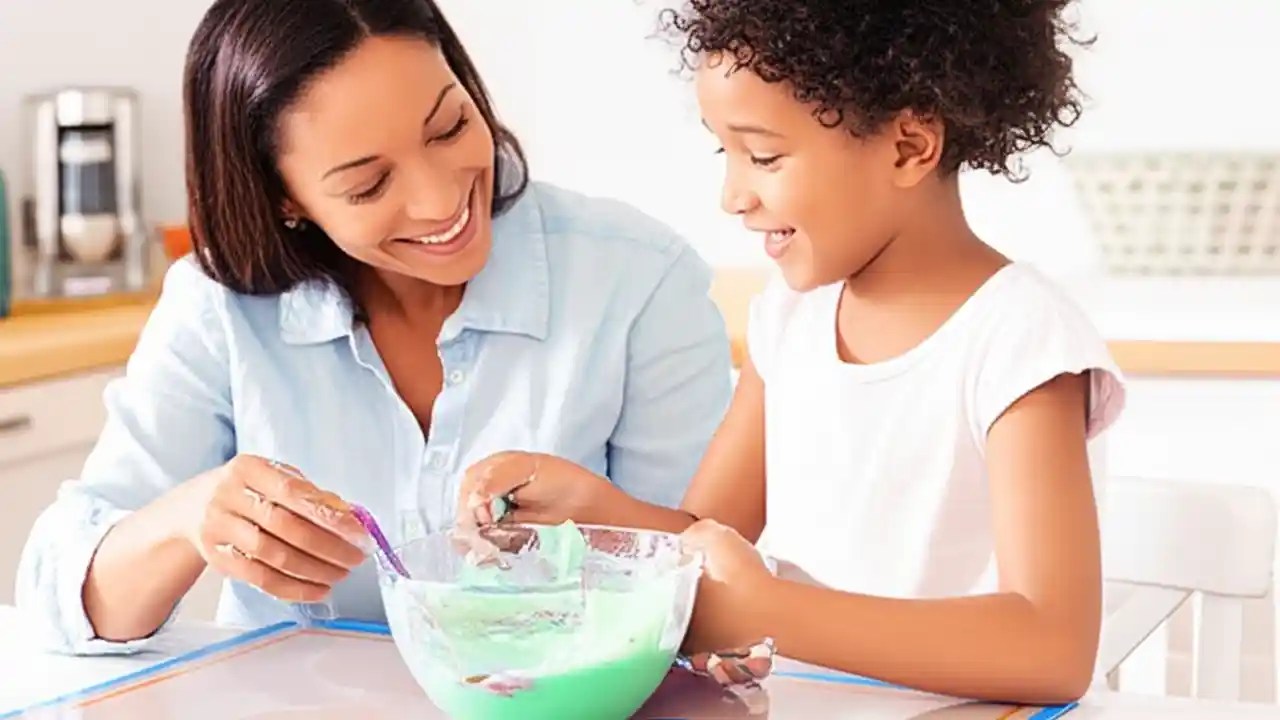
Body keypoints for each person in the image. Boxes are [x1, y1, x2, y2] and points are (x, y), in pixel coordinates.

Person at [456, 0, 1125, 705]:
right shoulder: (791, 317)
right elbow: (705, 541)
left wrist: (771, 612)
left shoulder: (1019, 338)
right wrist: (595, 514)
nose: (733, 196)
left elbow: (1052, 649)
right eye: (728, 152)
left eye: (764, 155)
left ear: (908, 146)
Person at [15, 0, 732, 655]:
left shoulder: (636, 278)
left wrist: (604, 530)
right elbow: (56, 600)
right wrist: (189, 517)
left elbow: (719, 585)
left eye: (450, 126)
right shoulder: (219, 306)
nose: (441, 198)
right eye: (368, 185)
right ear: (285, 199)